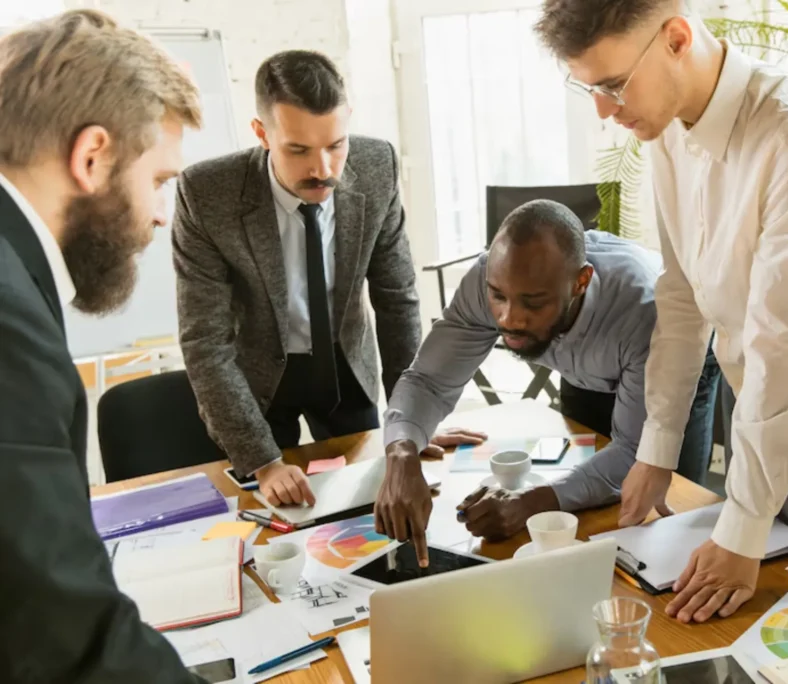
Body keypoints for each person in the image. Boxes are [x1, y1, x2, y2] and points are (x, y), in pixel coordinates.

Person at [535, 0, 788, 624]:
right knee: (749, 618)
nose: (604, 111)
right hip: (747, 402)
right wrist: (657, 447)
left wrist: (742, 530)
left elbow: (784, 349)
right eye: (589, 88)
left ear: (675, 38)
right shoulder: (667, 127)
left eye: (614, 85)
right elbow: (681, 296)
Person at [0, 10, 205, 682]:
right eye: (159, 181)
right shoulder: (8, 318)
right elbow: (67, 641)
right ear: (92, 157)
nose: (160, 214)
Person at [375, 199, 720, 565]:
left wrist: (531, 502)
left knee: (664, 519)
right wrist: (401, 454)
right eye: (498, 297)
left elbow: (637, 454)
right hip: (583, 369)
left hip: (673, 368)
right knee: (580, 521)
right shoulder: (485, 281)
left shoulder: (646, 312)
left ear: (580, 283)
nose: (510, 320)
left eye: (533, 303)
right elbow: (428, 380)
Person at [174, 50, 426, 507]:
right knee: (273, 512)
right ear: (261, 134)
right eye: (299, 149)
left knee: (370, 503)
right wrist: (264, 462)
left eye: (335, 144)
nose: (324, 169)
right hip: (256, 378)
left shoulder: (376, 167)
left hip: (345, 363)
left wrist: (413, 421)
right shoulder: (207, 193)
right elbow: (204, 340)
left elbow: (397, 301)